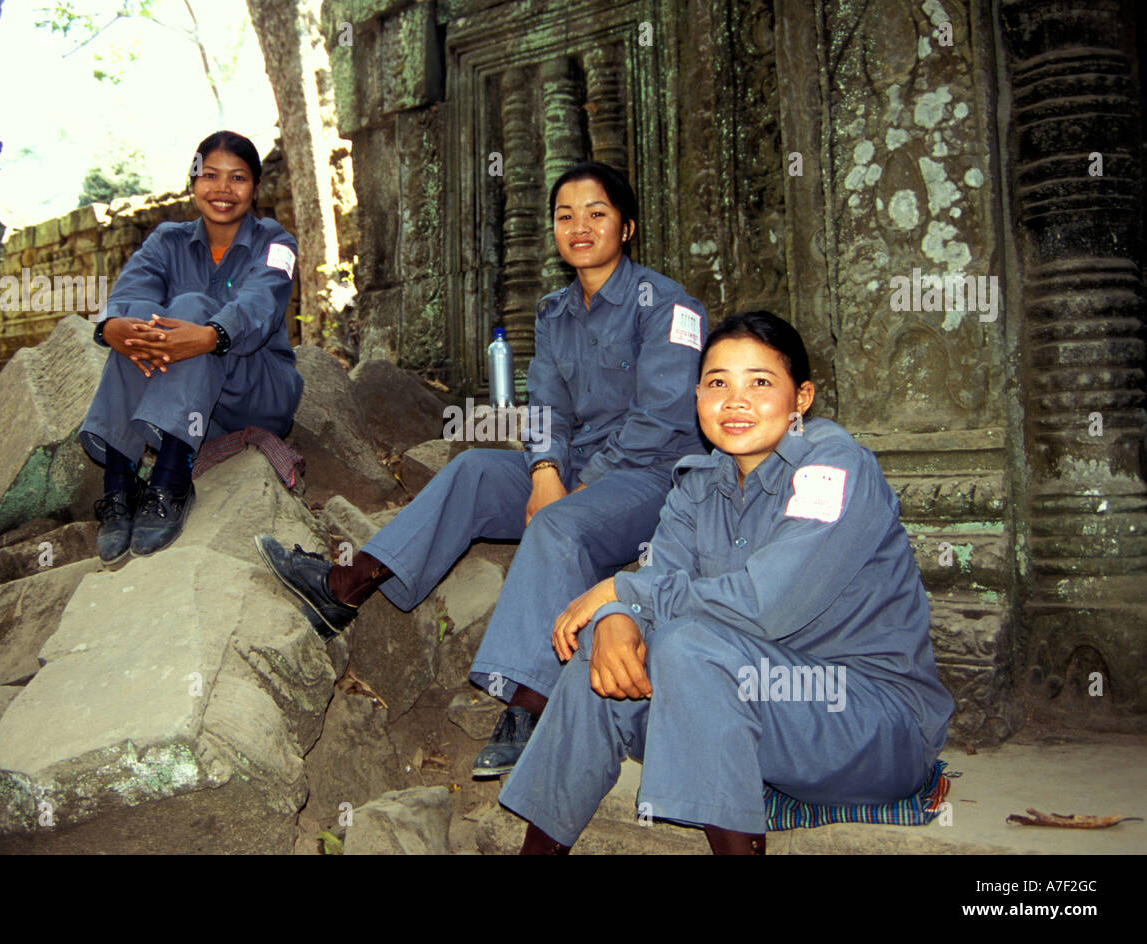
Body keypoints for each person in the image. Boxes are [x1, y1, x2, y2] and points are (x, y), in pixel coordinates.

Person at [255, 161, 708, 776]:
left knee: (556, 526)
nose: (579, 226)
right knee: (472, 473)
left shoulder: (667, 305)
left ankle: (530, 700)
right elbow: (544, 405)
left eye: (596, 213)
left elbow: (662, 420)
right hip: (573, 468)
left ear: (626, 227)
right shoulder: (553, 313)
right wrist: (547, 469)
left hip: (648, 480)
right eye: (565, 215)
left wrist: (575, 488)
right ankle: (344, 587)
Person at [499, 311, 955, 854]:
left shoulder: (832, 467)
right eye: (717, 383)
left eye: (760, 383)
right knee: (600, 660)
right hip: (755, 706)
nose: (735, 402)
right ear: (697, 396)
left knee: (687, 647)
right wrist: (617, 615)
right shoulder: (696, 485)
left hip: (867, 723)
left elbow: (769, 605)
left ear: (801, 398)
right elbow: (659, 578)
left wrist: (624, 592)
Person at [80, 131, 303, 563]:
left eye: (237, 178)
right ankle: (121, 485)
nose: (222, 189)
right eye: (210, 176)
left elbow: (260, 303)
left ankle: (170, 479)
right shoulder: (167, 240)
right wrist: (113, 328)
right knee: (139, 318)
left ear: (255, 189)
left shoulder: (277, 243)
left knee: (193, 306)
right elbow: (129, 295)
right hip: (189, 403)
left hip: (256, 388)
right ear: (193, 182)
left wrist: (208, 334)